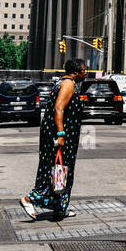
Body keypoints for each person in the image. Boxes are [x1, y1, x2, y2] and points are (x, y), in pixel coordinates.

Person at [20, 57, 86, 222]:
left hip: (62, 135)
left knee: (62, 171)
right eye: (84, 70)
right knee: (55, 171)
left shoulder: (64, 83)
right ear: (76, 72)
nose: (85, 72)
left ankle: (60, 209)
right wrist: (61, 135)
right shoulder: (69, 84)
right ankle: (30, 198)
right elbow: (58, 109)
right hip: (60, 136)